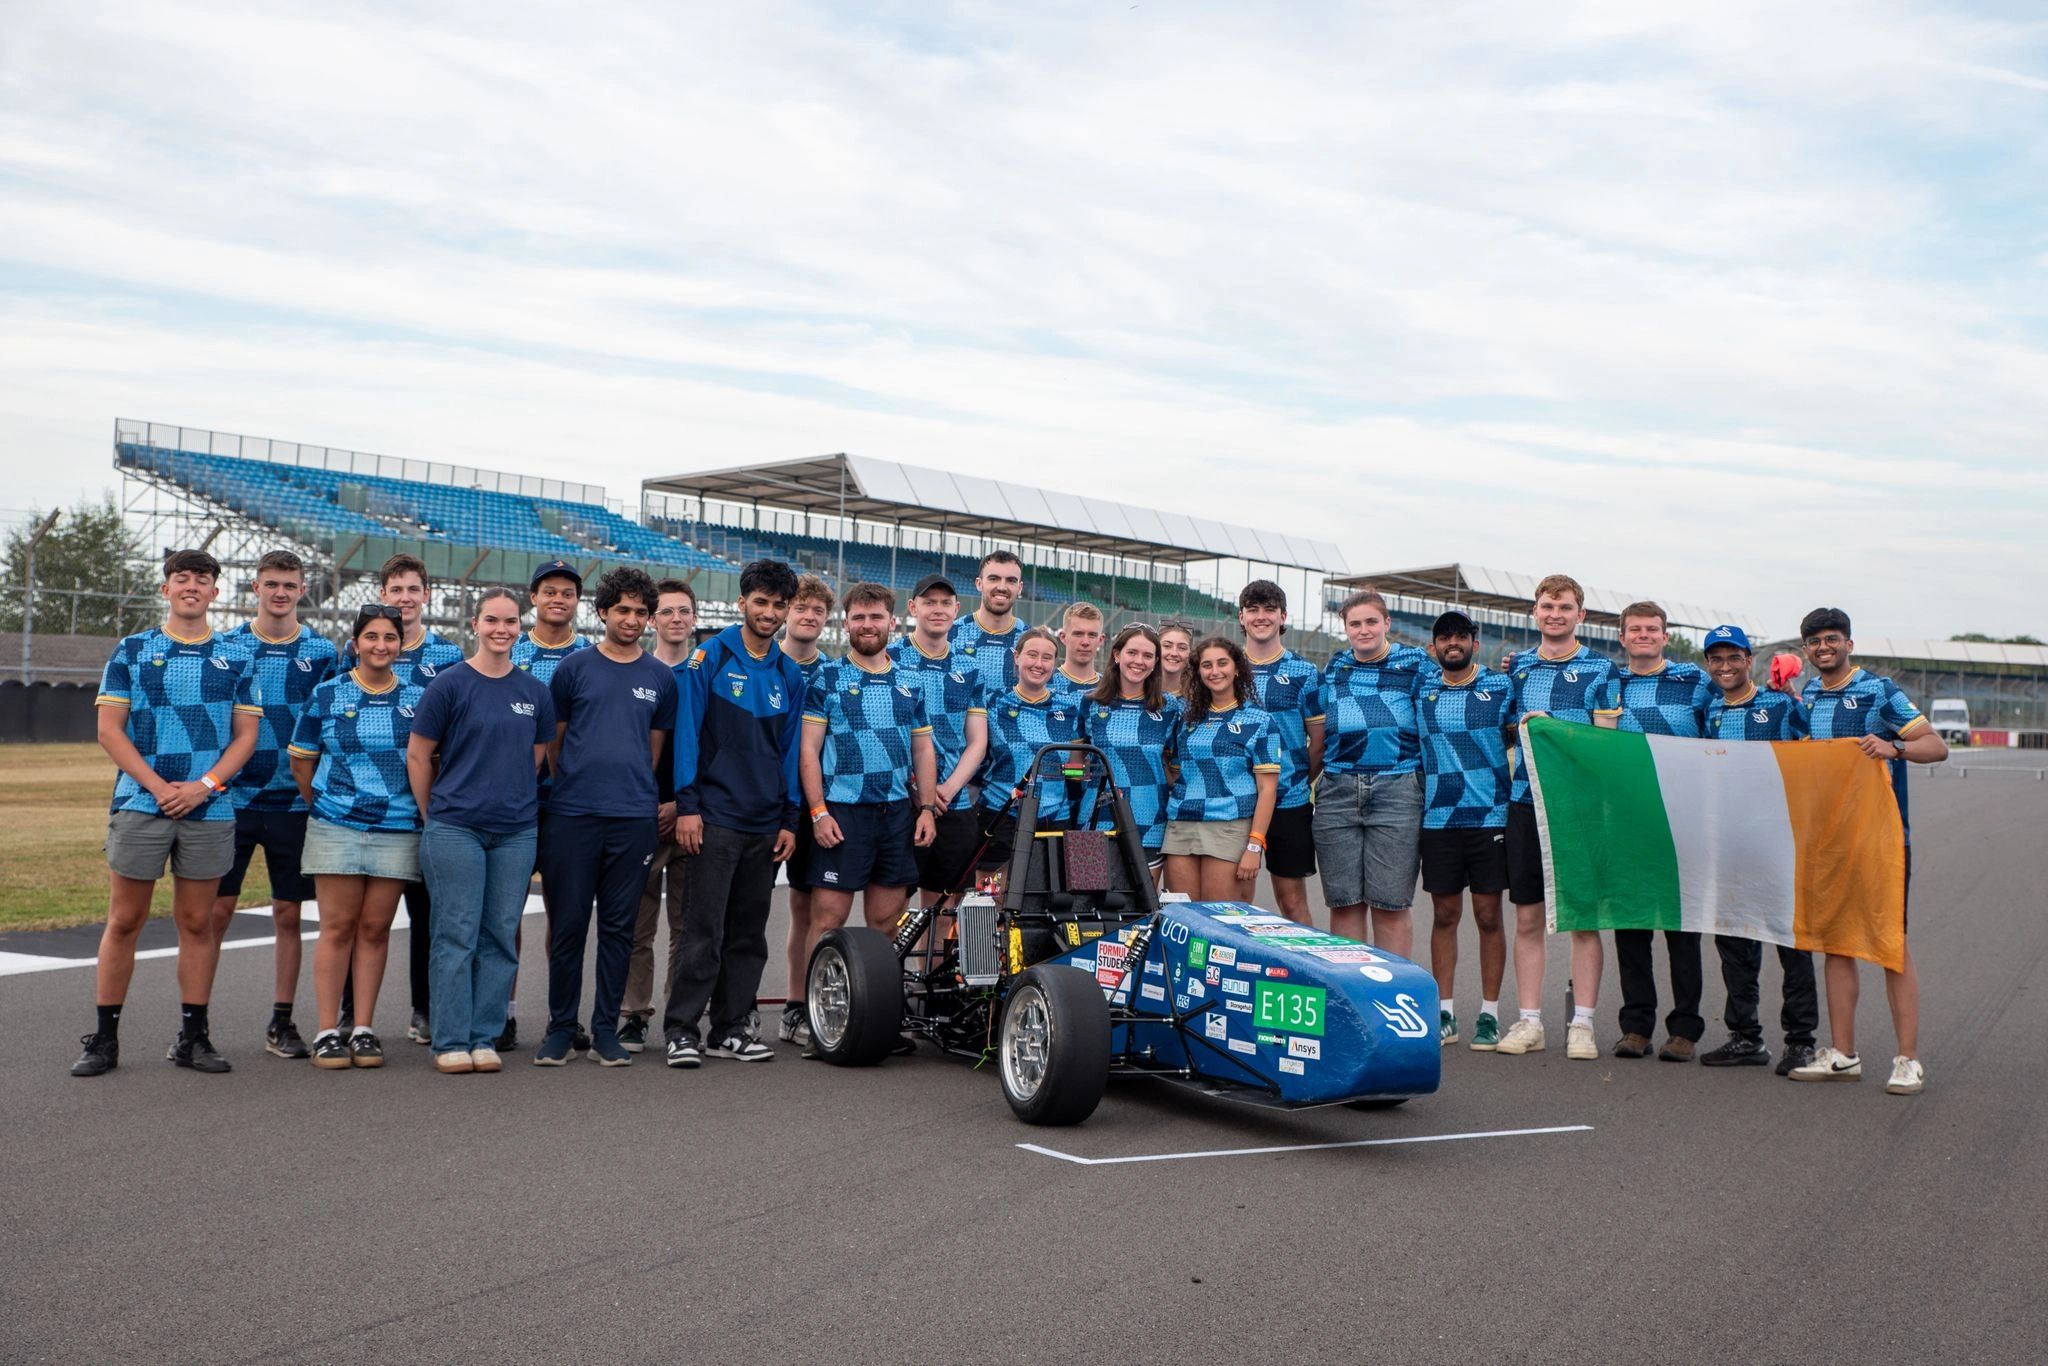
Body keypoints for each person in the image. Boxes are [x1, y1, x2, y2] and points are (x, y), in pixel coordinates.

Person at [72, 549, 261, 1078]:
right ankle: (104, 1039)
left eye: (203, 580)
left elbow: (246, 736)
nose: (192, 587)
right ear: (166, 590)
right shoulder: (133, 650)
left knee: (197, 923)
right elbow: (109, 730)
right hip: (141, 802)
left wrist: (204, 786)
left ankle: (193, 1037)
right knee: (125, 919)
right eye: (182, 579)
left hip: (210, 805)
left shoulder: (236, 656)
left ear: (215, 593)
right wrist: (158, 786)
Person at [1782, 608, 1945, 1095]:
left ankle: (1908, 1059)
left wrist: (1894, 748)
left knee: (1890, 945)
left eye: (1832, 639)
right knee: (1835, 942)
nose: (1823, 647)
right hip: (1827, 839)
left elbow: (1935, 746)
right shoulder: (1808, 694)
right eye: (1814, 642)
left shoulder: (1879, 690)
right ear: (1806, 649)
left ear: (1849, 644)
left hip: (1882, 839)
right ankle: (1843, 1055)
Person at [663, 559, 805, 1069]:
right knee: (703, 930)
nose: (769, 612)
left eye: (778, 604)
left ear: (787, 610)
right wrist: (689, 806)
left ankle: (730, 1028)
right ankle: (681, 1028)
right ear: (742, 603)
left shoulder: (790, 673)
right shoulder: (711, 656)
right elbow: (686, 734)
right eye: (760, 602)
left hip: (765, 824)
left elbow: (790, 754)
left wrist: (790, 820)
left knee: (749, 933)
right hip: (714, 817)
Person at [408, 588, 555, 1075]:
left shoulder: (534, 692)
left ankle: (483, 1035)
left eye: (511, 621)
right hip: (456, 828)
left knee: (499, 936)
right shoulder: (449, 685)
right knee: (457, 933)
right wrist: (435, 816)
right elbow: (418, 755)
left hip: (515, 832)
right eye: (492, 620)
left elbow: (535, 758)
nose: (502, 629)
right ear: (475, 624)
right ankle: (449, 1039)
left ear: (520, 626)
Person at [536, 567, 676, 1068]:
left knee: (619, 930)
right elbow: (555, 743)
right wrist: (577, 787)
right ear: (603, 612)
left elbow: (653, 752)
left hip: (632, 819)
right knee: (569, 926)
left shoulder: (660, 677)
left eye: (642, 612)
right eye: (624, 610)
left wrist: (630, 793)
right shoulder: (572, 669)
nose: (633, 619)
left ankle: (605, 1031)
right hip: (572, 816)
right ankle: (558, 1028)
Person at [209, 549, 337, 1060]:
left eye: (289, 584)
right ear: (256, 588)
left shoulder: (324, 652)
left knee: (289, 913)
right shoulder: (229, 646)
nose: (280, 593)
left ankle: (281, 1022)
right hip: (232, 799)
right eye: (271, 584)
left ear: (302, 589)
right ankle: (198, 1022)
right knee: (215, 913)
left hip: (294, 803)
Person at [287, 605, 425, 1069]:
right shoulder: (327, 694)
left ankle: (363, 1028)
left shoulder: (419, 698)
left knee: (374, 929)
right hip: (336, 825)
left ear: (400, 645)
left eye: (390, 637)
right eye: (371, 637)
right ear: (355, 642)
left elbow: (429, 762)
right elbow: (302, 761)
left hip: (397, 827)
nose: (380, 646)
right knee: (337, 928)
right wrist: (325, 805)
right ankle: (328, 1030)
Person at [1497, 574, 1621, 1058]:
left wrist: (1555, 730)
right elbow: (1507, 731)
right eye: (1547, 606)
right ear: (1535, 612)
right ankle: (1530, 1021)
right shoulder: (1519, 667)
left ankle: (1583, 1024)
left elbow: (1607, 746)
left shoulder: (1600, 669)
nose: (1555, 614)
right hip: (1527, 801)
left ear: (1580, 615)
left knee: (1583, 918)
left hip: (1581, 807)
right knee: (1527, 917)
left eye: (1564, 607)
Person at [343, 553, 462, 1046]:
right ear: (382, 595)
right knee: (359, 919)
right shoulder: (359, 648)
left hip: (426, 808)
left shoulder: (449, 657)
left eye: (414, 589)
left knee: (429, 915)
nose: (405, 598)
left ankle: (426, 1009)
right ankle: (350, 1013)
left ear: (426, 596)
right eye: (396, 590)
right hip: (367, 808)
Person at [1695, 624, 1818, 1075]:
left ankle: (1801, 1041)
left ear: (1749, 660)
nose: (1725, 667)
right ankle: (1745, 1037)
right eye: (1717, 659)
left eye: (1733, 658)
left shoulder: (1781, 706)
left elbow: (1818, 754)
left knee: (1791, 943)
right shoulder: (1709, 711)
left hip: (1779, 840)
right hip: (1728, 844)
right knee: (1734, 945)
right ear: (1709, 665)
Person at [1605, 602, 1715, 1063]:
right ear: (1623, 636)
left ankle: (1685, 1029)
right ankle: (1636, 1027)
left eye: (1652, 629)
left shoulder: (1694, 680)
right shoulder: (1609, 681)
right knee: (1630, 925)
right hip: (1626, 818)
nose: (1644, 635)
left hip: (1682, 817)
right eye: (1636, 629)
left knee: (1680, 927)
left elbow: (1725, 723)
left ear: (1665, 635)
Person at [801, 583, 938, 951]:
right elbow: (808, 751)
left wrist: (926, 809)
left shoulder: (911, 680)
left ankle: (880, 1004)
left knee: (885, 923)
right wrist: (818, 813)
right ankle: (820, 1005)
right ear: (846, 623)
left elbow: (923, 750)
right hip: (842, 813)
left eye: (875, 616)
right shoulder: (827, 678)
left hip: (895, 814)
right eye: (858, 617)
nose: (867, 624)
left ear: (891, 622)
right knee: (828, 920)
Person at [1413, 610, 1514, 1051]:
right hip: (1438, 819)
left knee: (1489, 916)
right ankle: (1444, 1011)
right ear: (1433, 647)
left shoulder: (1501, 686)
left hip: (1490, 816)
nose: (1452, 643)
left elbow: (1522, 733)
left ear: (1474, 642)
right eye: (1444, 638)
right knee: (1444, 916)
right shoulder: (1422, 688)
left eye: (1460, 636)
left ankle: (1489, 1015)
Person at [1314, 587, 1431, 957]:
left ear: (1386, 623)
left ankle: (1393, 995)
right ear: (1345, 628)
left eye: (1371, 622)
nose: (1363, 630)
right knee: (1345, 903)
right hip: (1338, 788)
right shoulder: (1336, 666)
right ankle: (1354, 996)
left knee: (1390, 904)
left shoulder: (1415, 663)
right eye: (1354, 624)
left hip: (1397, 787)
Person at [506, 558, 593, 1051]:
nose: (558, 599)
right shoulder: (509, 649)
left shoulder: (590, 655)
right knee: (506, 915)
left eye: (568, 592)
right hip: (514, 803)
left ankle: (565, 1017)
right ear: (533, 597)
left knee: (567, 920)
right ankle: (505, 1011)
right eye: (550, 591)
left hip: (570, 806)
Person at [620, 577, 694, 1051]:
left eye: (683, 611)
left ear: (693, 617)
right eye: (665, 611)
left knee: (687, 928)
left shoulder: (706, 671)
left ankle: (679, 1018)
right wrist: (646, 804)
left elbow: (717, 749)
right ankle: (633, 1014)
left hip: (690, 816)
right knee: (636, 925)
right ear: (651, 618)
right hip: (638, 814)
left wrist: (684, 804)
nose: (674, 619)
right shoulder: (633, 671)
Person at [888, 574, 991, 908]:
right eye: (929, 602)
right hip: (903, 799)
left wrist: (944, 790)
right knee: (891, 909)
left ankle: (929, 966)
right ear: (913, 607)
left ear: (957, 609)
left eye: (945, 603)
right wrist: (919, 790)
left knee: (943, 913)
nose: (937, 609)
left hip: (954, 801)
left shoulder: (970, 667)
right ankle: (890, 964)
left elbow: (977, 741)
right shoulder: (890, 658)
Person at [1163, 637, 1281, 902]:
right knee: (1181, 919)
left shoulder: (1259, 720)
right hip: (1181, 824)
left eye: (1222, 663)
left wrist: (1254, 845)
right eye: (1206, 665)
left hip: (1229, 827)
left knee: (1217, 923)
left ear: (1237, 668)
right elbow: (1174, 769)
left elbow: (1267, 789)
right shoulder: (1186, 718)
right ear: (1198, 672)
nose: (1215, 671)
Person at [1236, 581, 1324, 924]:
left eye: (1269, 609)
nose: (1261, 617)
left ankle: (1307, 975)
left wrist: (1293, 780)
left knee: (1291, 903)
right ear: (1241, 617)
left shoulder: (1304, 673)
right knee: (1236, 903)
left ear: (1283, 616)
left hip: (1289, 801)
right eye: (1253, 610)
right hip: (1237, 800)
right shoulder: (1226, 668)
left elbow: (1318, 742)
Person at [775, 574, 834, 1045]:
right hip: (763, 802)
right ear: (786, 612)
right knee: (751, 912)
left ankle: (801, 1006)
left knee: (811, 910)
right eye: (801, 608)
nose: (808, 616)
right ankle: (733, 1008)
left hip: (813, 803)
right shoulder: (765, 663)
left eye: (817, 611)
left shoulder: (832, 672)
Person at [977, 627, 1084, 871]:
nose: (1039, 663)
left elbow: (1074, 770)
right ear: (1017, 657)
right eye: (1032, 655)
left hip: (1055, 818)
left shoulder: (1069, 709)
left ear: (1054, 663)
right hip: (1000, 813)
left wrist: (1078, 774)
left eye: (1047, 658)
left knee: (1047, 899)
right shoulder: (993, 703)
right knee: (991, 899)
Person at [1082, 624, 1181, 875]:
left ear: (1156, 662)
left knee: (1142, 912)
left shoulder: (1170, 708)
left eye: (1148, 656)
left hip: (1149, 821)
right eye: (1132, 653)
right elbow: (1075, 766)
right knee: (1094, 910)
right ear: (1117, 655)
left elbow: (1176, 769)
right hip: (1096, 819)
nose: (1139, 661)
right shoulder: (1090, 703)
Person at [948, 550, 1027, 698]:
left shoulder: (1030, 640)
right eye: (993, 579)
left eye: (1011, 580)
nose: (1002, 587)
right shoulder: (951, 634)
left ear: (1020, 588)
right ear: (979, 583)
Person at [1052, 601, 1105, 700]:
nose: (1085, 642)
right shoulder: (1045, 683)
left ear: (1100, 640)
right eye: (1078, 634)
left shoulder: (1110, 688)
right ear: (1063, 637)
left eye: (1092, 635)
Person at [1157, 619, 1194, 700]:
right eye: (1167, 646)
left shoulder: (1198, 698)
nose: (1174, 653)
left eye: (1182, 648)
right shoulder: (1140, 691)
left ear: (1190, 653)